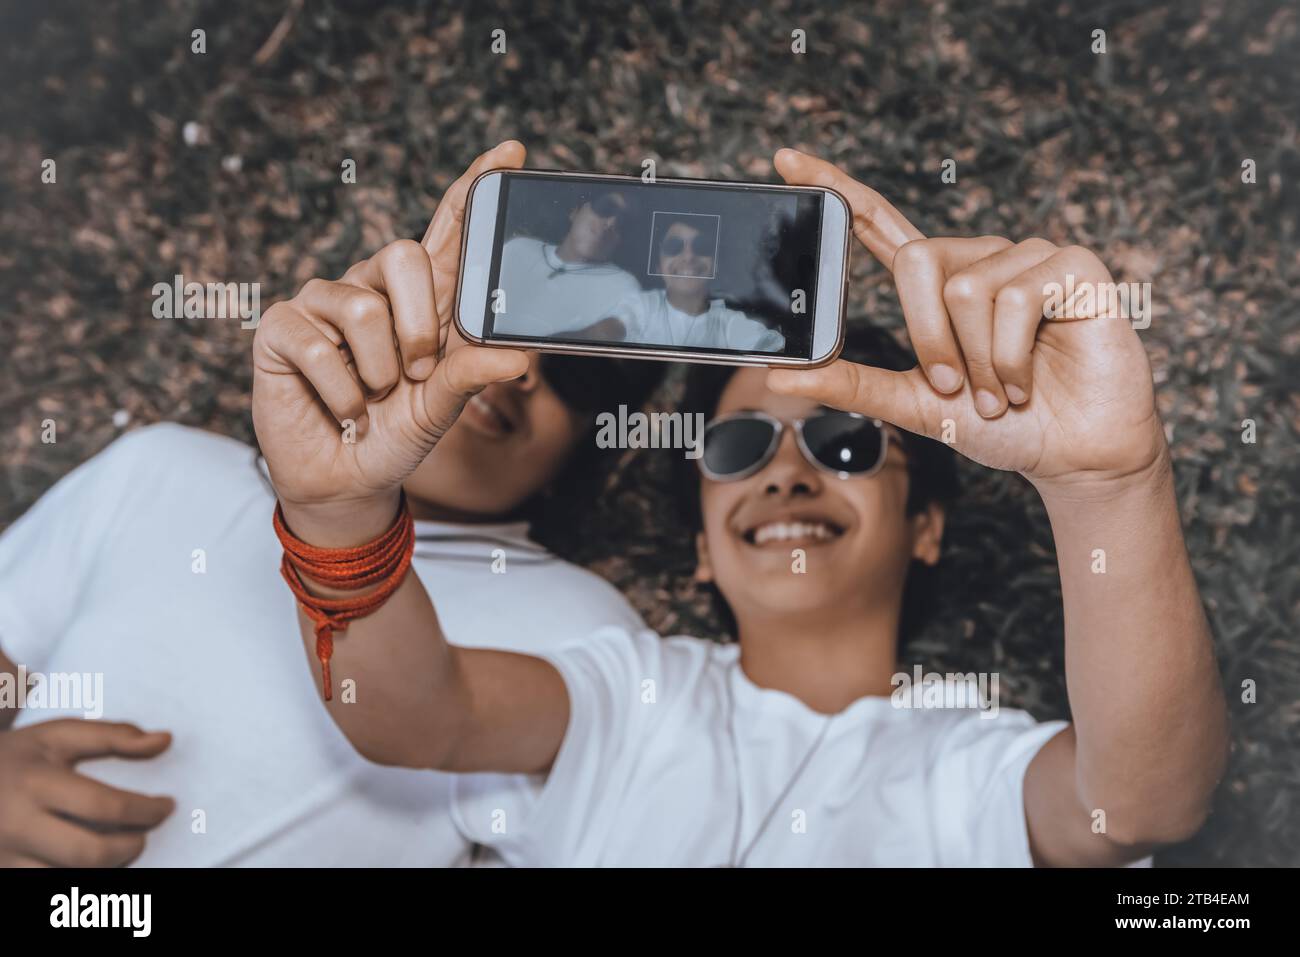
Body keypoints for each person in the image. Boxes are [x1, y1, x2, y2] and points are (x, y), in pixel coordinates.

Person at [260, 144, 1229, 866]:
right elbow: (410, 719)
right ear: (700, 552)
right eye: (738, 445)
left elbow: (1142, 806)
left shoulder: (964, 772)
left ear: (926, 526)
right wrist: (336, 516)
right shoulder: (629, 700)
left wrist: (1110, 489)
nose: (786, 474)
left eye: (844, 444)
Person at [0, 143, 662, 867]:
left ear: (587, 453)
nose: (520, 362)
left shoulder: (583, 631)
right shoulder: (161, 468)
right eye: (501, 302)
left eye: (588, 363)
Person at [602, 215, 786, 352]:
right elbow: (607, 330)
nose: (688, 256)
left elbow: (767, 346)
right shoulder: (640, 306)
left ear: (715, 264)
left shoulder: (728, 320)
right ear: (657, 265)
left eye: (702, 246)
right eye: (674, 247)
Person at [491, 188, 642, 340]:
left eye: (624, 223)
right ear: (575, 211)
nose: (611, 223)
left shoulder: (623, 287)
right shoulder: (519, 248)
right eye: (606, 208)